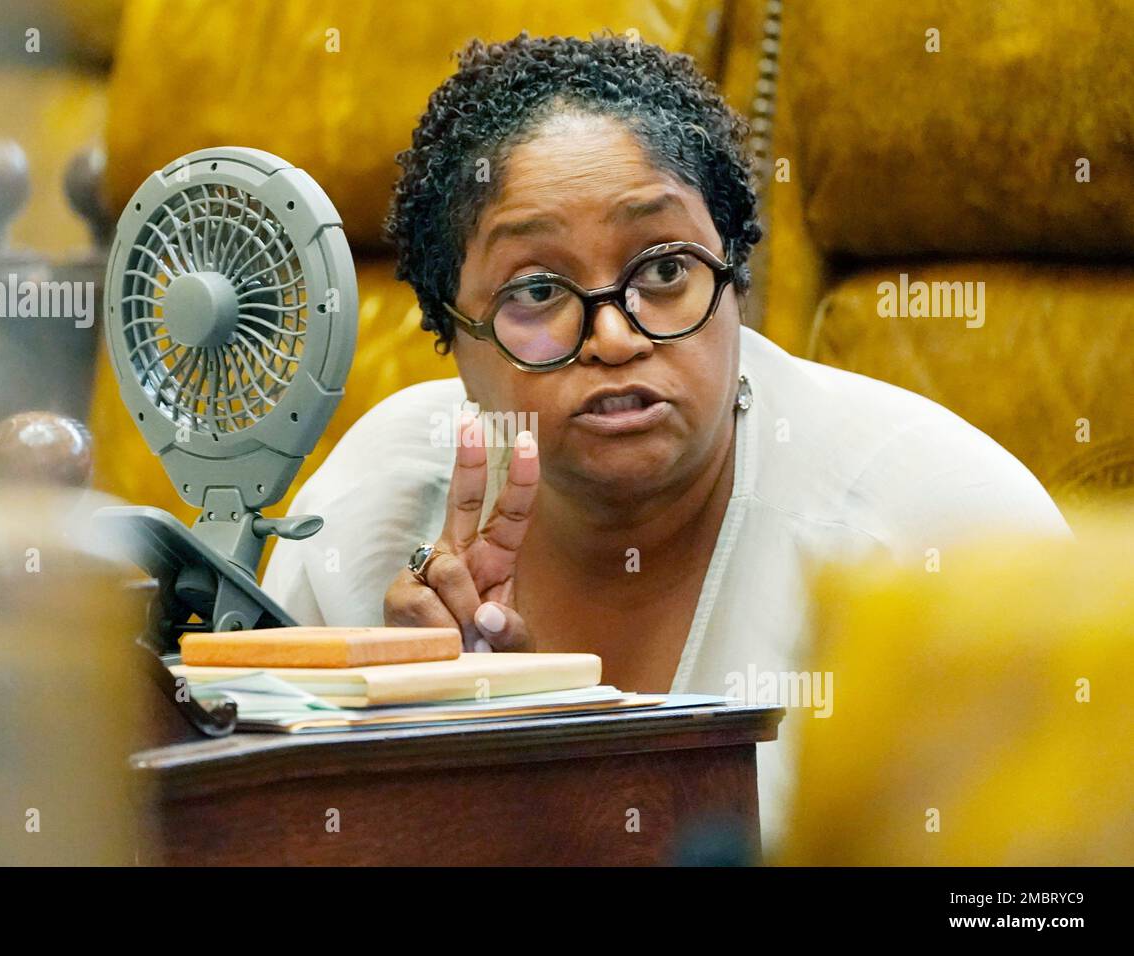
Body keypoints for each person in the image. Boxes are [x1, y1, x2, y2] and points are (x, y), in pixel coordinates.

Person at [263, 32, 1067, 850]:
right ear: (449, 334)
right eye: (538, 290)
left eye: (664, 270)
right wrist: (422, 777)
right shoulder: (367, 525)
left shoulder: (944, 542)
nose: (614, 337)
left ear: (736, 279)